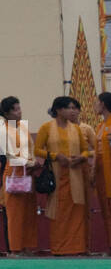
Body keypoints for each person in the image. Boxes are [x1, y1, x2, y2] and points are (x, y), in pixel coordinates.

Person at [34, 97, 90, 256]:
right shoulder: (46, 128)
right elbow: (37, 150)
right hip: (57, 176)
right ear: (58, 110)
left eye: (74, 108)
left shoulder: (76, 129)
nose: (73, 111)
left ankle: (77, 248)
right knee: (59, 212)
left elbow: (85, 150)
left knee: (76, 210)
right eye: (69, 108)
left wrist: (81, 157)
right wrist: (55, 156)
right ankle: (60, 249)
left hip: (75, 175)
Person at [0, 97, 37, 255]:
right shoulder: (4, 130)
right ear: (7, 113)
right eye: (15, 110)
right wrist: (27, 162)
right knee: (14, 214)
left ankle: (27, 247)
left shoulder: (23, 128)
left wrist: (32, 161)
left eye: (19, 108)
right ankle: (15, 249)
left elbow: (31, 148)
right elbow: (9, 155)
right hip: (13, 174)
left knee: (28, 213)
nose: (19, 112)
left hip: (27, 174)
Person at [94, 93, 111, 252]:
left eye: (97, 102)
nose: (95, 106)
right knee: (106, 210)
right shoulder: (100, 126)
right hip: (101, 173)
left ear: (103, 104)